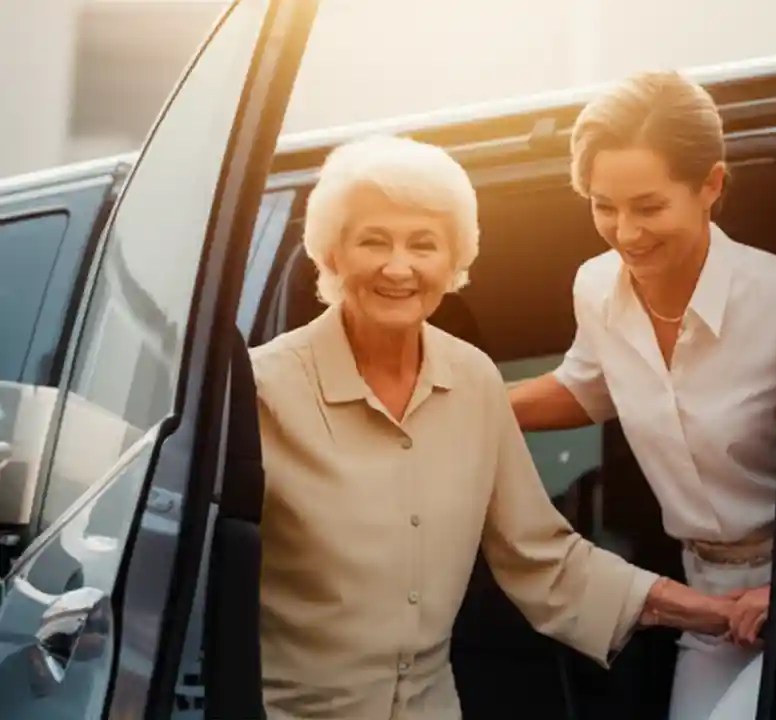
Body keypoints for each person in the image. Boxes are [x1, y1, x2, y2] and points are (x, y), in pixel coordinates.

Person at [251, 135, 732, 720]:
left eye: (423, 244)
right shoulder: (261, 388)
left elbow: (545, 559)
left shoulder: (474, 381)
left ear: (452, 261)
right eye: (373, 241)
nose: (399, 267)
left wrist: (719, 612)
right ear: (332, 253)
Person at [508, 71, 776, 719]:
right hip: (707, 598)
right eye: (604, 206)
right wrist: (466, 403)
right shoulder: (595, 287)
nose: (626, 232)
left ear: (710, 185)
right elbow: (586, 388)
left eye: (649, 206)